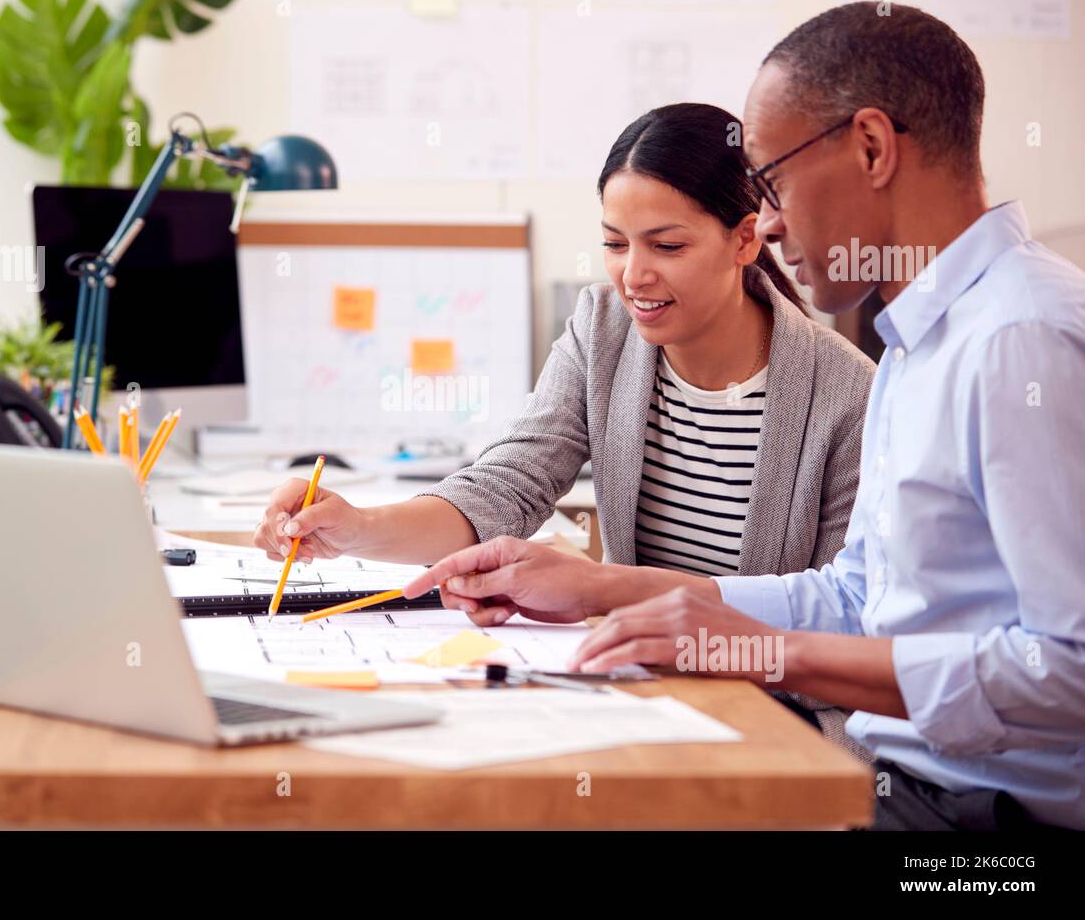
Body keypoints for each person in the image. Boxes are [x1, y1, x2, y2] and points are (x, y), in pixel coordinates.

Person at [406, 3, 1085, 831]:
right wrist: (603, 588)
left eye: (770, 183)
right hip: (900, 792)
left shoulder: (1022, 339)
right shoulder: (921, 340)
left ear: (872, 147)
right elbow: (855, 597)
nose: (762, 224)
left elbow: (1070, 668)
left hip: (976, 824)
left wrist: (761, 649)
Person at [255, 101, 874, 600]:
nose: (633, 275)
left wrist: (598, 590)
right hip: (641, 684)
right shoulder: (603, 329)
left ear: (743, 241)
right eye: (614, 243)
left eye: (667, 246)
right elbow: (507, 486)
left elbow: (834, 617)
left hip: (773, 713)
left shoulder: (847, 394)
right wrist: (357, 527)